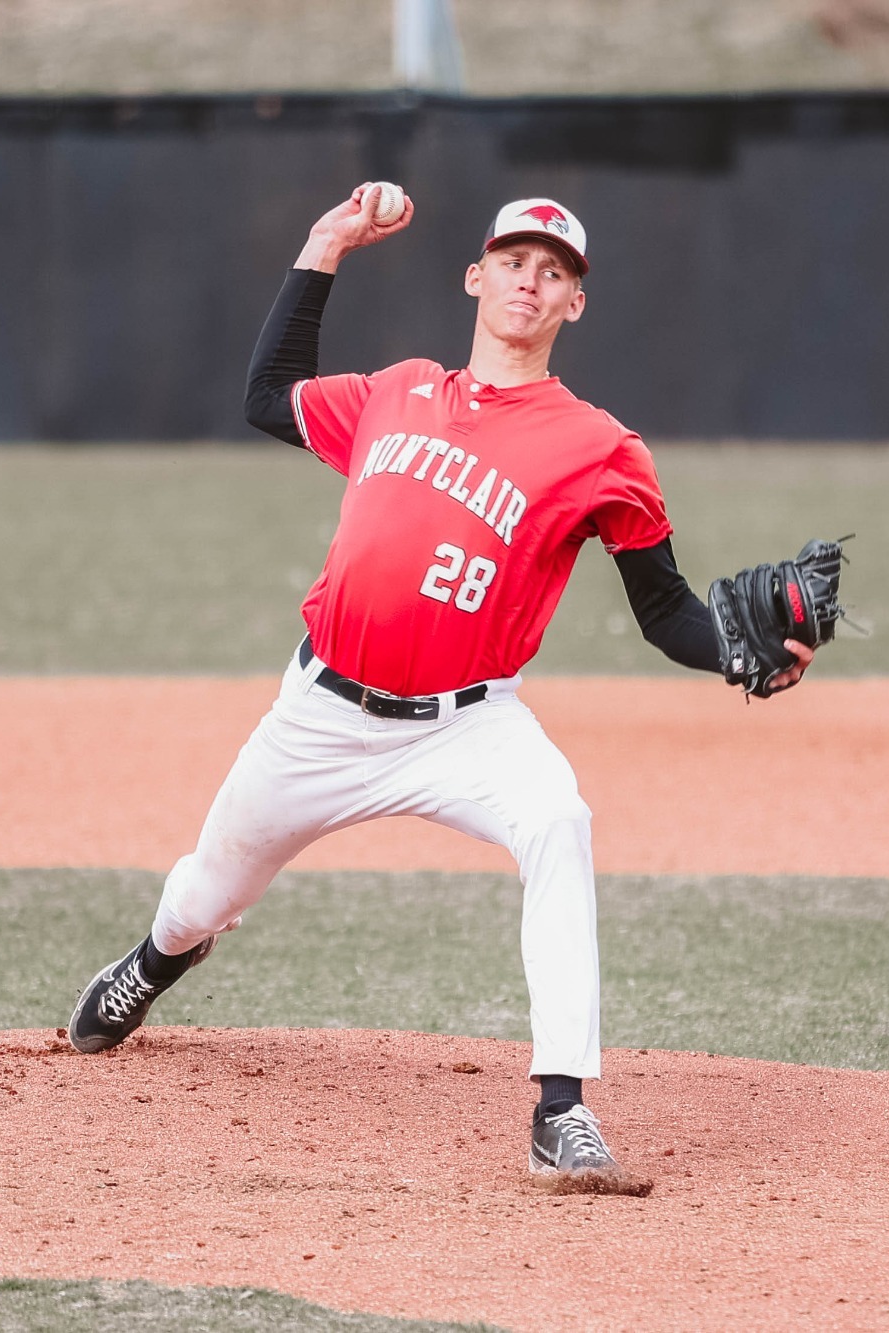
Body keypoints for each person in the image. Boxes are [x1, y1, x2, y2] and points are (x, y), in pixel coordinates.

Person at [67, 188, 810, 1180]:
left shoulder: (601, 449)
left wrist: (735, 649)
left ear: (572, 304)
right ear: (476, 276)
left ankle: (561, 1109)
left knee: (557, 820)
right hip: (319, 714)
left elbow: (664, 609)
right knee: (206, 888)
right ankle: (155, 961)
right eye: (512, 260)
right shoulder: (395, 390)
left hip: (467, 727)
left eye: (552, 271)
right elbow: (262, 398)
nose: (528, 280)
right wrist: (326, 242)